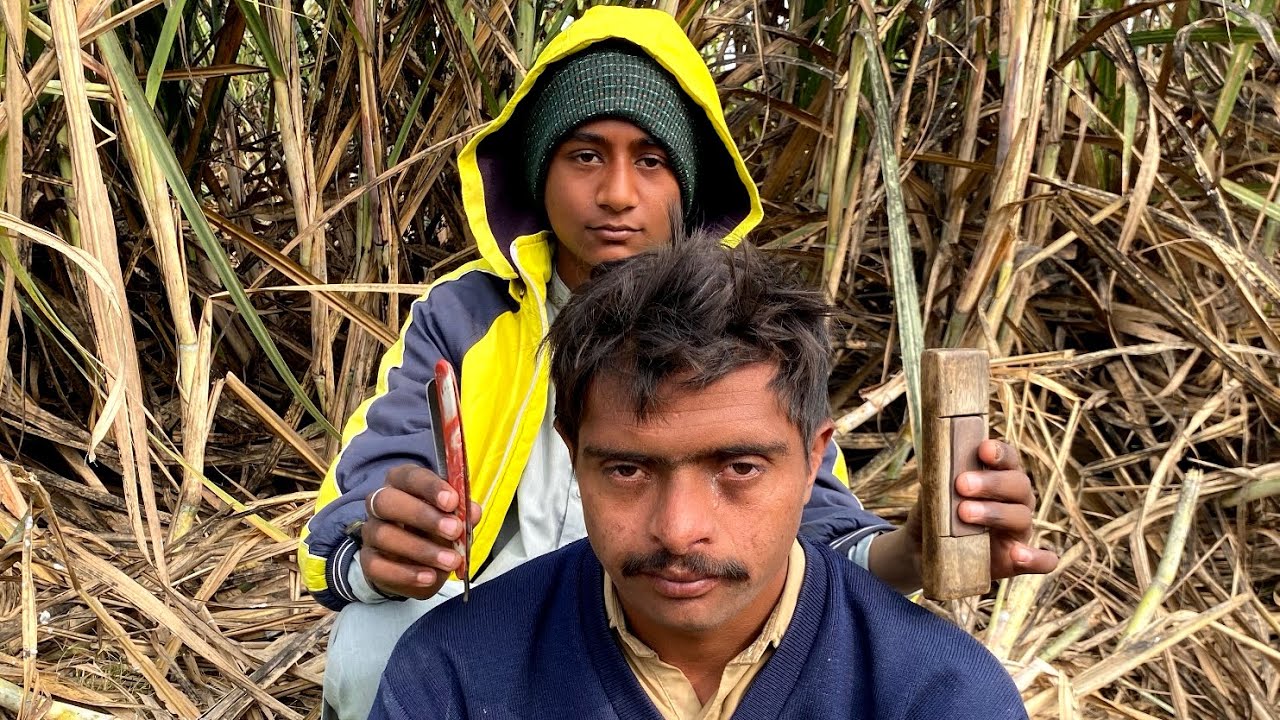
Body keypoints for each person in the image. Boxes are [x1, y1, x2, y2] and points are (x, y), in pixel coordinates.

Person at [301, 7, 1056, 719]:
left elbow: (814, 532)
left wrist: (912, 549)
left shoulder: (754, 338)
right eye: (585, 155)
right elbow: (360, 504)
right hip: (509, 633)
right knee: (373, 642)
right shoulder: (462, 318)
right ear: (538, 172)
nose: (618, 194)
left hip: (705, 617)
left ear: (688, 184)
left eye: (652, 160)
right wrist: (382, 544)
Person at [370, 238, 1030, 719]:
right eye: (627, 469)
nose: (680, 529)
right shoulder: (451, 678)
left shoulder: (940, 696)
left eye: (739, 468)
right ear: (575, 456)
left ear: (812, 462)